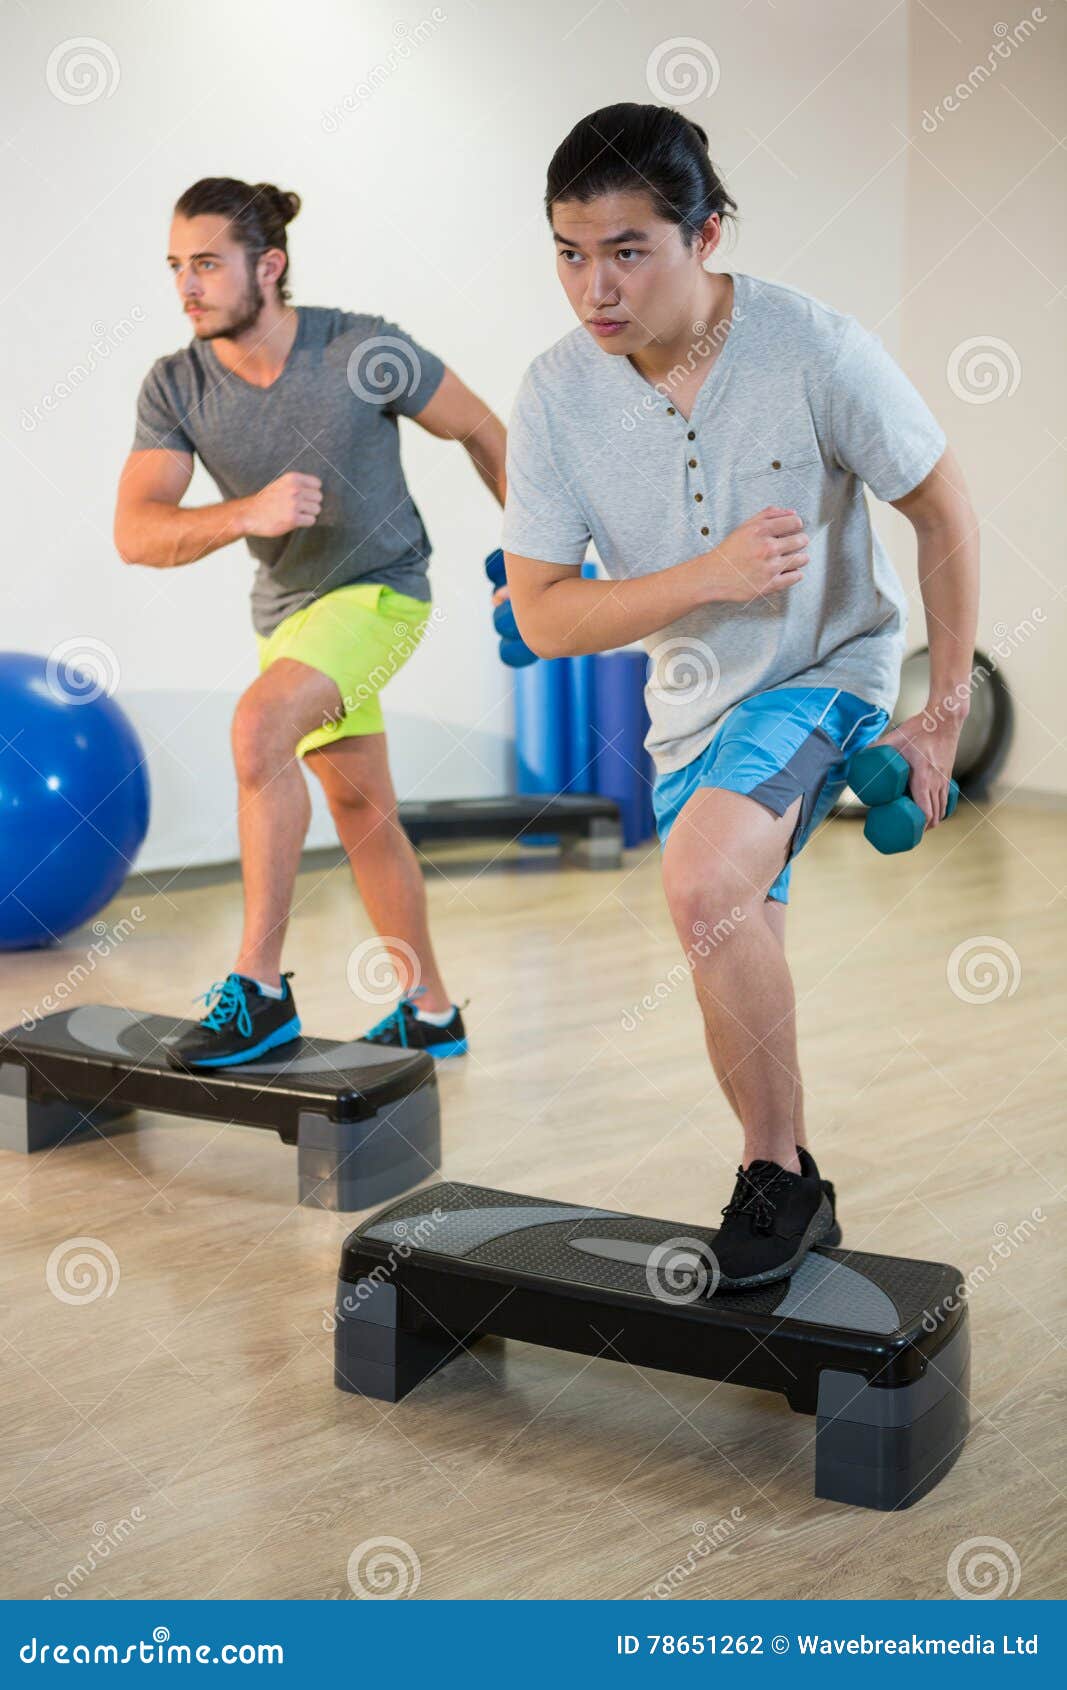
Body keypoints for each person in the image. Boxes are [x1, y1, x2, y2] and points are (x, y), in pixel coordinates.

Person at [501, 105, 978, 1289]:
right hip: (689, 712)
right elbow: (547, 613)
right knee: (724, 924)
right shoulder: (555, 395)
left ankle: (775, 1174)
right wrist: (703, 580)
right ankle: (787, 1174)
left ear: (703, 233)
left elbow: (942, 510)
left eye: (625, 250)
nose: (592, 287)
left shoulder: (812, 348)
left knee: (703, 877)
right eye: (568, 251)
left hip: (825, 677)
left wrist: (943, 707)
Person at [115, 178, 507, 1068]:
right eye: (177, 266)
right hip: (287, 615)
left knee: (260, 726)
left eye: (208, 263)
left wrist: (534, 568)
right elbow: (137, 531)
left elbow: (483, 428)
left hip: (381, 592)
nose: (187, 285)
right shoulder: (176, 386)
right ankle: (431, 1009)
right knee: (362, 807)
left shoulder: (360, 349)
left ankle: (257, 990)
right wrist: (242, 513)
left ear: (271, 266)